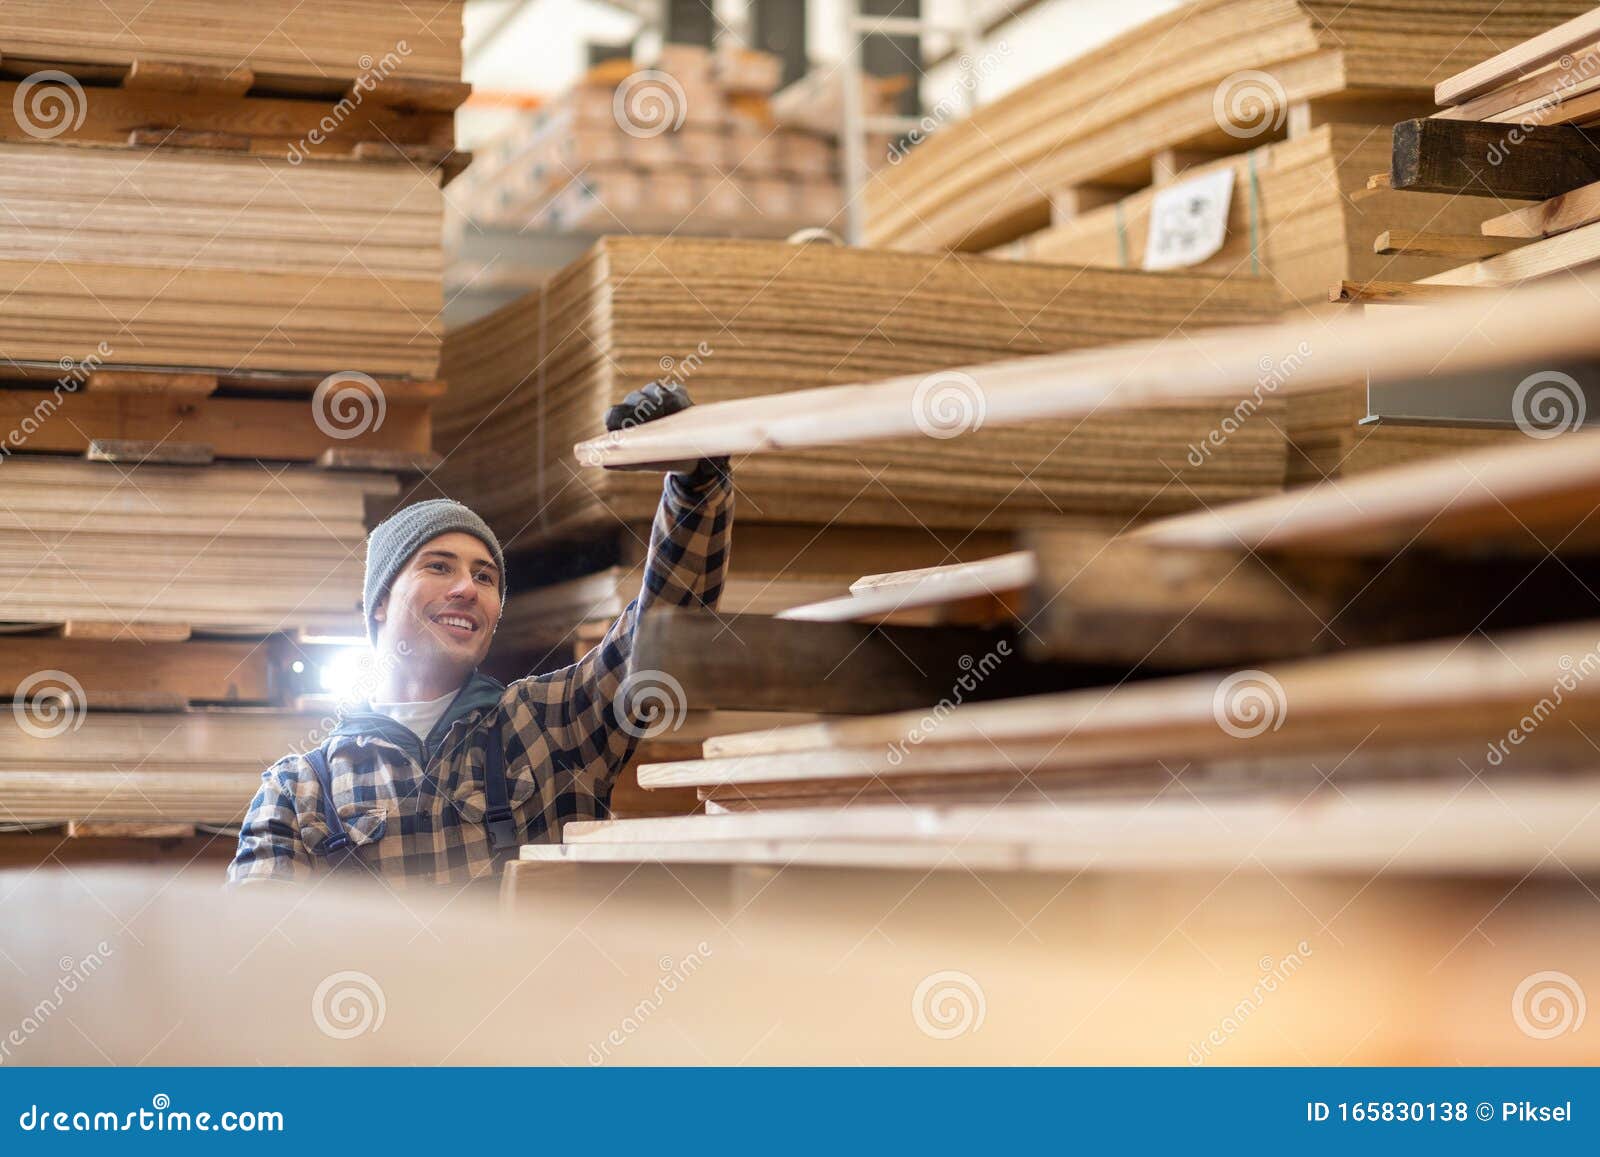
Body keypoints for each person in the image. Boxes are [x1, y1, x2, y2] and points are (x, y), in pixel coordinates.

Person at [226, 383, 731, 885]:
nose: (467, 587)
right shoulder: (300, 790)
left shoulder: (552, 725)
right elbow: (258, 947)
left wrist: (697, 484)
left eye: (485, 576)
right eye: (439, 567)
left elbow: (665, 630)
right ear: (379, 603)